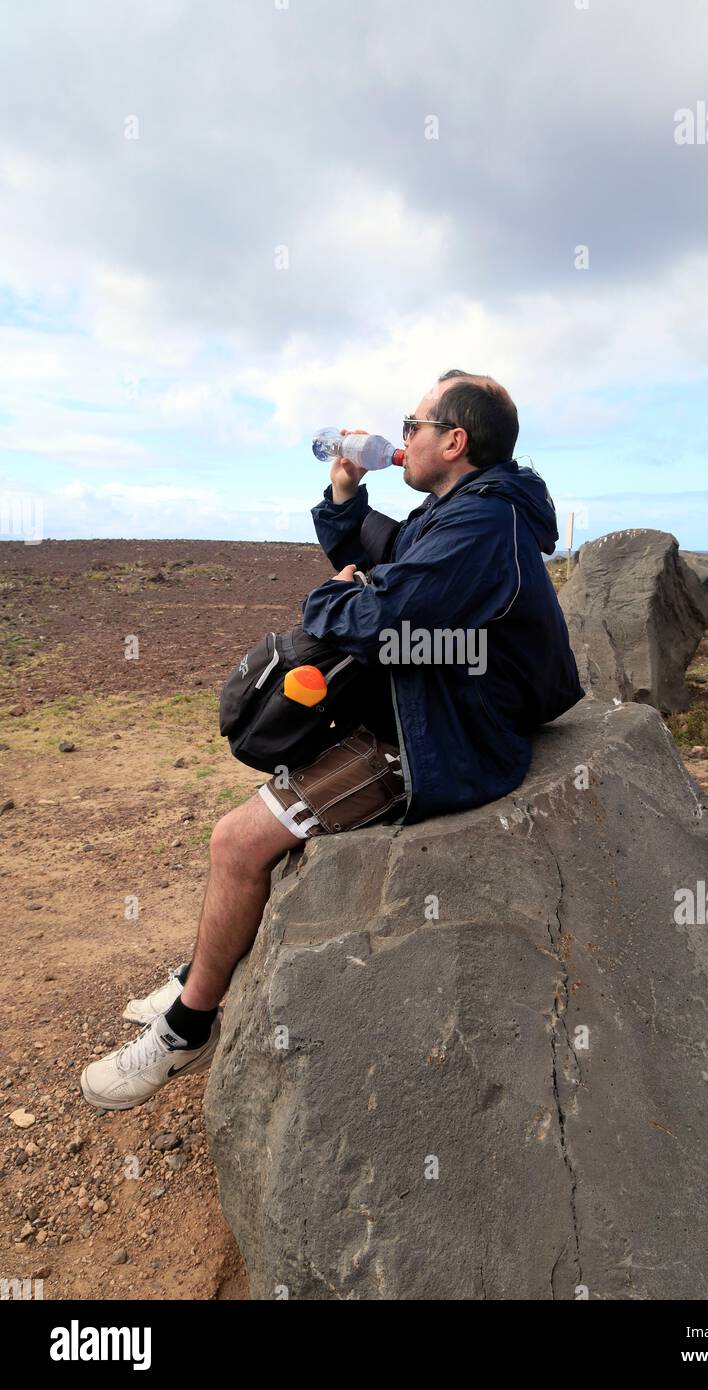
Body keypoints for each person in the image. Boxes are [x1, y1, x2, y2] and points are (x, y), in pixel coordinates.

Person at [80, 369, 584, 1110]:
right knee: (261, 797)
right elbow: (387, 549)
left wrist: (331, 595)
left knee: (236, 841)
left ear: (454, 439)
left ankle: (189, 1029)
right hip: (424, 702)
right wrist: (346, 493)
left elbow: (382, 617)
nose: (400, 438)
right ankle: (198, 977)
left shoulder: (483, 525)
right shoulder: (466, 508)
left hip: (440, 736)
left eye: (411, 425)